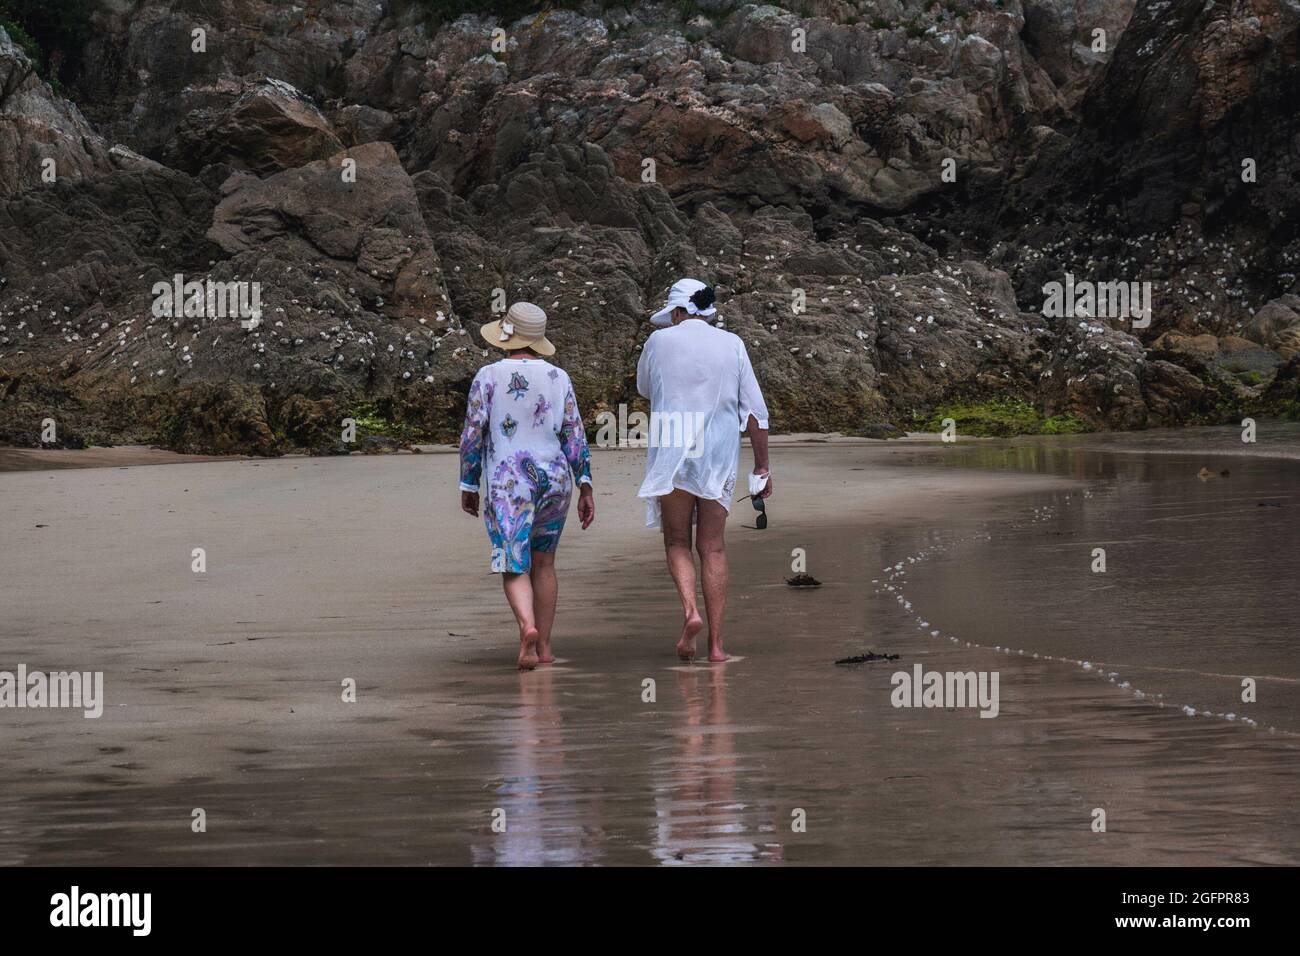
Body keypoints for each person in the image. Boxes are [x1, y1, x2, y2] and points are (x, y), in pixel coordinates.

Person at [636, 278, 771, 663]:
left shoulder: (658, 342)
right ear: (708, 312)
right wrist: (762, 467)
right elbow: (755, 414)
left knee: (677, 541)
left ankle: (689, 611)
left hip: (672, 451)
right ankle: (716, 647)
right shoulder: (733, 344)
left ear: (678, 312)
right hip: (717, 454)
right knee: (712, 547)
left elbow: (644, 389)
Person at [459, 301, 595, 670]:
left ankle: (527, 627)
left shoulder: (488, 376)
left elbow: (472, 434)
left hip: (509, 481)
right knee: (545, 563)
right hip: (556, 478)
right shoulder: (558, 377)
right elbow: (574, 434)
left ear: (507, 335)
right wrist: (585, 485)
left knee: (513, 562)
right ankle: (546, 648)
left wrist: (468, 483)